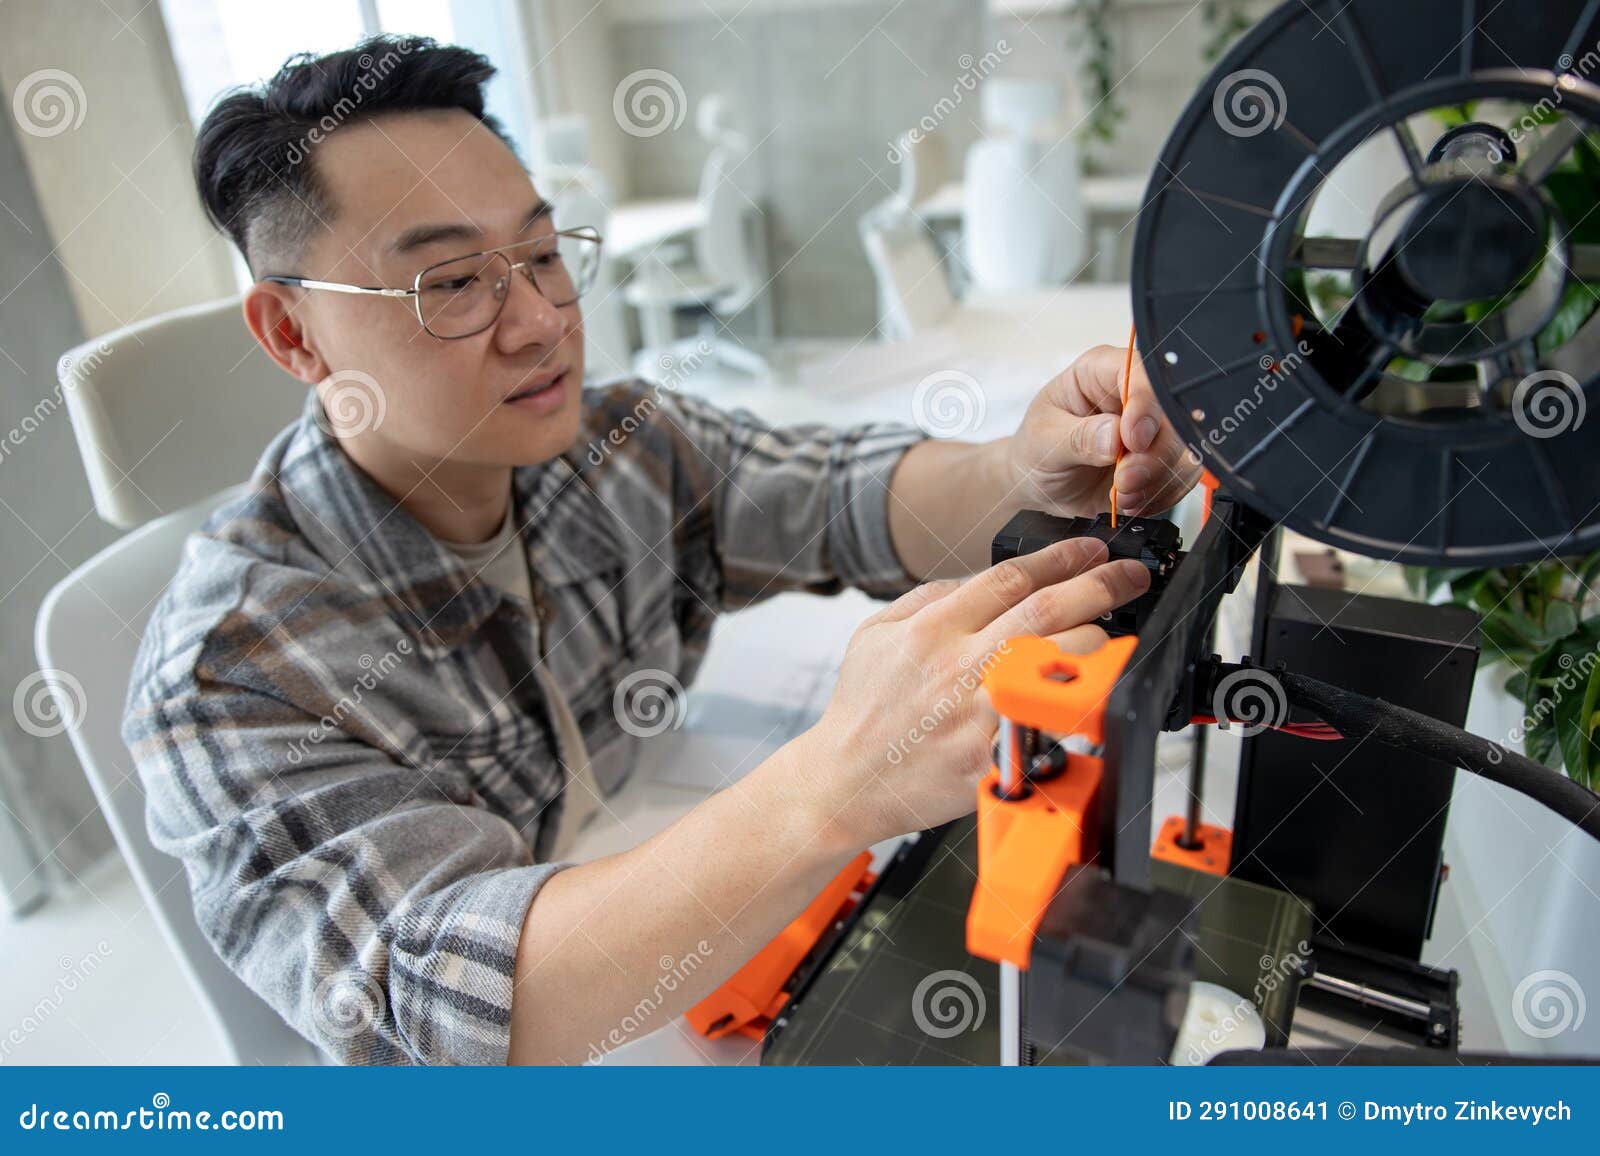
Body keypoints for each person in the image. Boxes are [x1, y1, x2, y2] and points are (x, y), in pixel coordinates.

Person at [123, 35, 1199, 1065]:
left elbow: (842, 497)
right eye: (451, 282)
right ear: (292, 333)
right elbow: (449, 1010)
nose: (542, 321)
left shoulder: (614, 445)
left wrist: (1024, 469)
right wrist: (833, 784)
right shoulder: (230, 674)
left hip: (668, 903)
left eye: (543, 254)